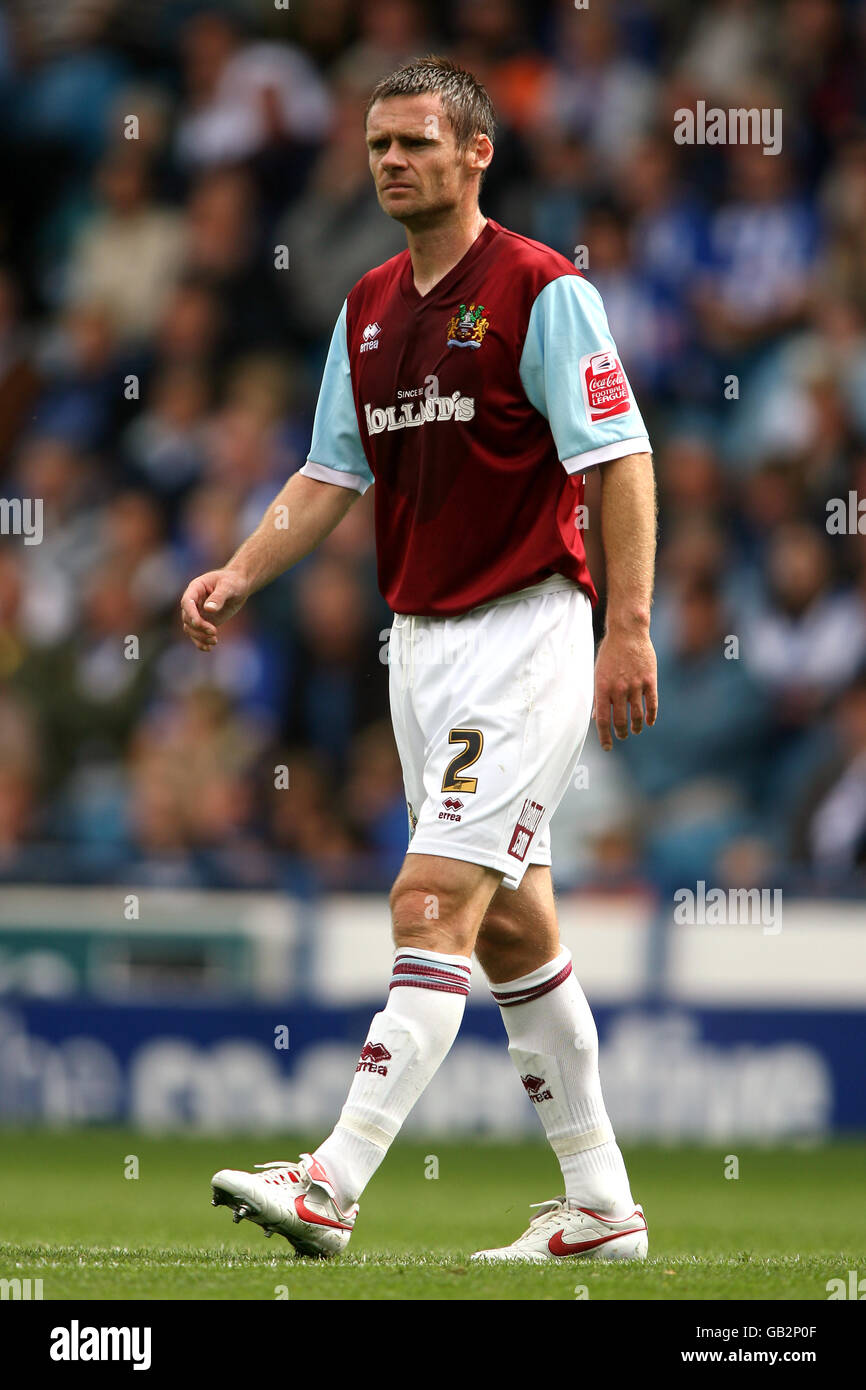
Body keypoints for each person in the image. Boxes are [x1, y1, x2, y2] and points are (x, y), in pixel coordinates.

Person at [180, 56, 658, 1263]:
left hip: (526, 631)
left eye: (415, 142)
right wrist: (240, 569)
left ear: (474, 154)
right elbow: (328, 471)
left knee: (429, 900)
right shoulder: (366, 307)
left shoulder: (541, 291)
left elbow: (620, 459)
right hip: (422, 648)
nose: (392, 161)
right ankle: (599, 1205)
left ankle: (332, 1182)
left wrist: (629, 626)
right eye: (378, 144)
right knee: (510, 931)